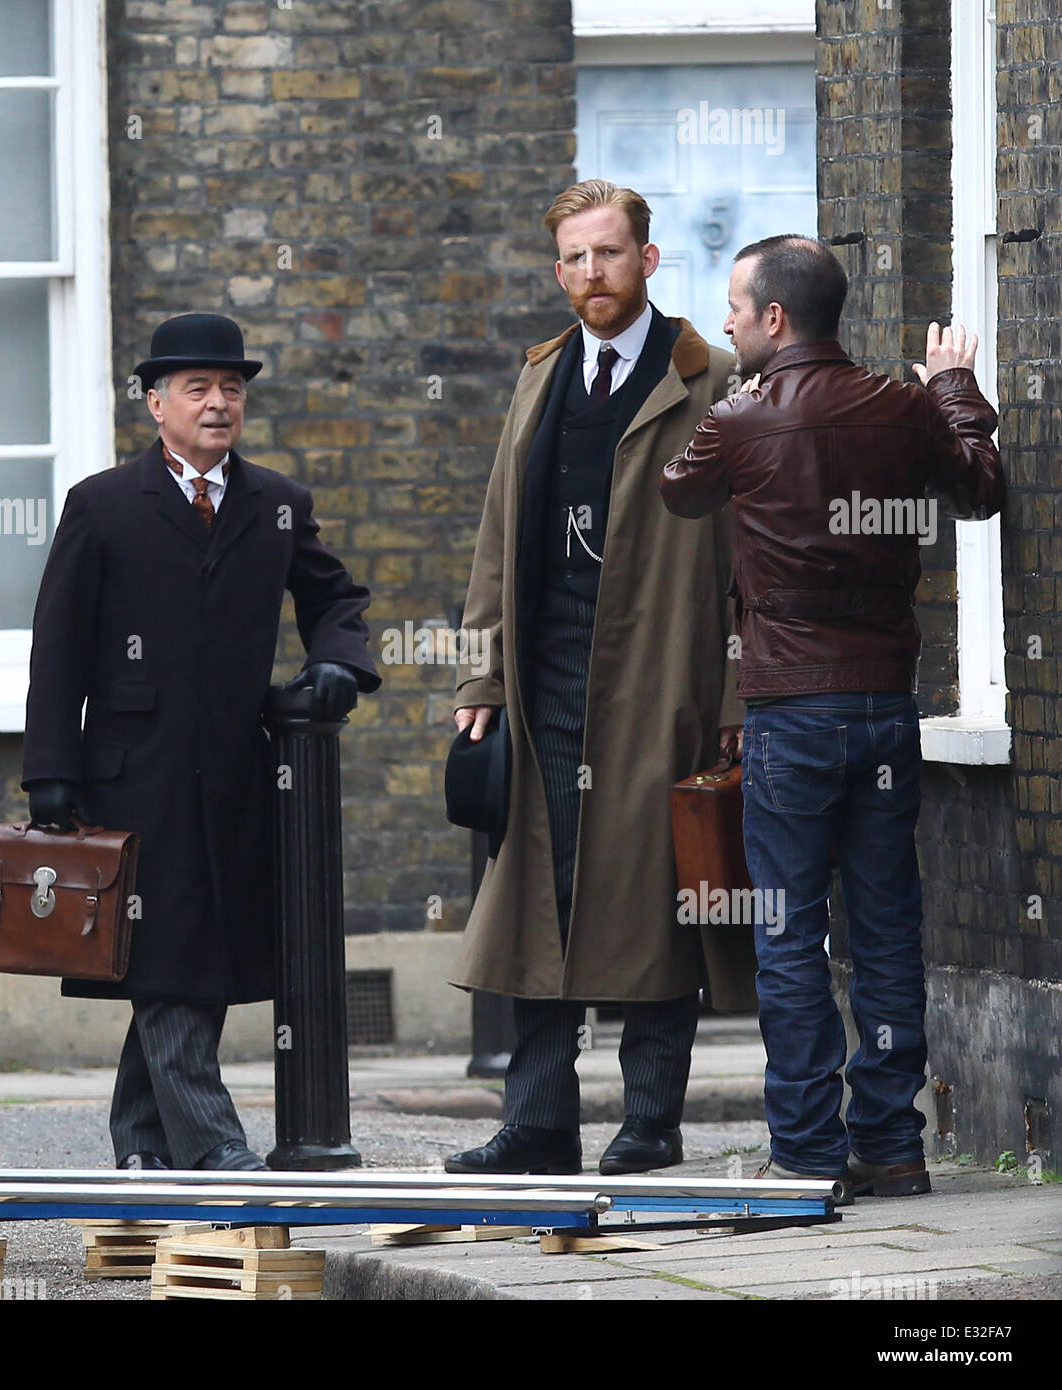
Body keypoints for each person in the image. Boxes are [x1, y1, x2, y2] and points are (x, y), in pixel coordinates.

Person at [661, 235, 1004, 1203]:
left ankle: (807, 1148)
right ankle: (891, 1144)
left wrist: (731, 404)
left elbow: (674, 489)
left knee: (786, 928)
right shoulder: (900, 407)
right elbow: (982, 487)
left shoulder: (736, 418)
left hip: (789, 715)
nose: (725, 320)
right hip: (884, 708)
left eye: (735, 306)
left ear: (773, 318)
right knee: (888, 929)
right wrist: (953, 387)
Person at [445, 179, 756, 1178]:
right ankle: (538, 1122)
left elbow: (753, 562)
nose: (592, 274)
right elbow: (498, 543)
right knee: (537, 903)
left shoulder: (709, 379)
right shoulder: (538, 377)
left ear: (648, 260)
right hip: (544, 690)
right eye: (574, 258)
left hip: (663, 684)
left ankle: (649, 1121)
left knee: (653, 903)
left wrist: (732, 701)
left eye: (609, 254)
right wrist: (481, 677)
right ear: (557, 272)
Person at [21, 312, 379, 1171]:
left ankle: (142, 1157)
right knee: (172, 967)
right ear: (156, 403)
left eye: (232, 389)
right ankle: (220, 1156)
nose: (219, 404)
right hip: (131, 783)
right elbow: (57, 648)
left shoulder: (279, 506)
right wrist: (50, 777)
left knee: (191, 962)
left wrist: (337, 665)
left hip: (235, 780)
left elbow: (337, 600)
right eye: (198, 389)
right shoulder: (102, 506)